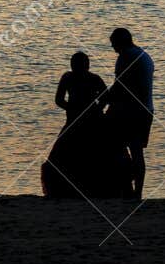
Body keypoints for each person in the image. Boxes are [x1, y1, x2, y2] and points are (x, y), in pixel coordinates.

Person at [43, 52, 127, 199]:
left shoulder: (87, 78)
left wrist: (86, 109)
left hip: (89, 121)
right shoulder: (77, 78)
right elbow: (59, 100)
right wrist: (75, 108)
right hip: (80, 120)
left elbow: (105, 98)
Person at [106, 28, 155, 198]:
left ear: (120, 43)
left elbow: (119, 87)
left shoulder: (126, 57)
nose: (113, 49)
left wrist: (102, 103)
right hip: (146, 109)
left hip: (132, 112)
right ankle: (137, 191)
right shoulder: (144, 55)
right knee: (136, 151)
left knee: (115, 148)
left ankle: (125, 187)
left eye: (114, 45)